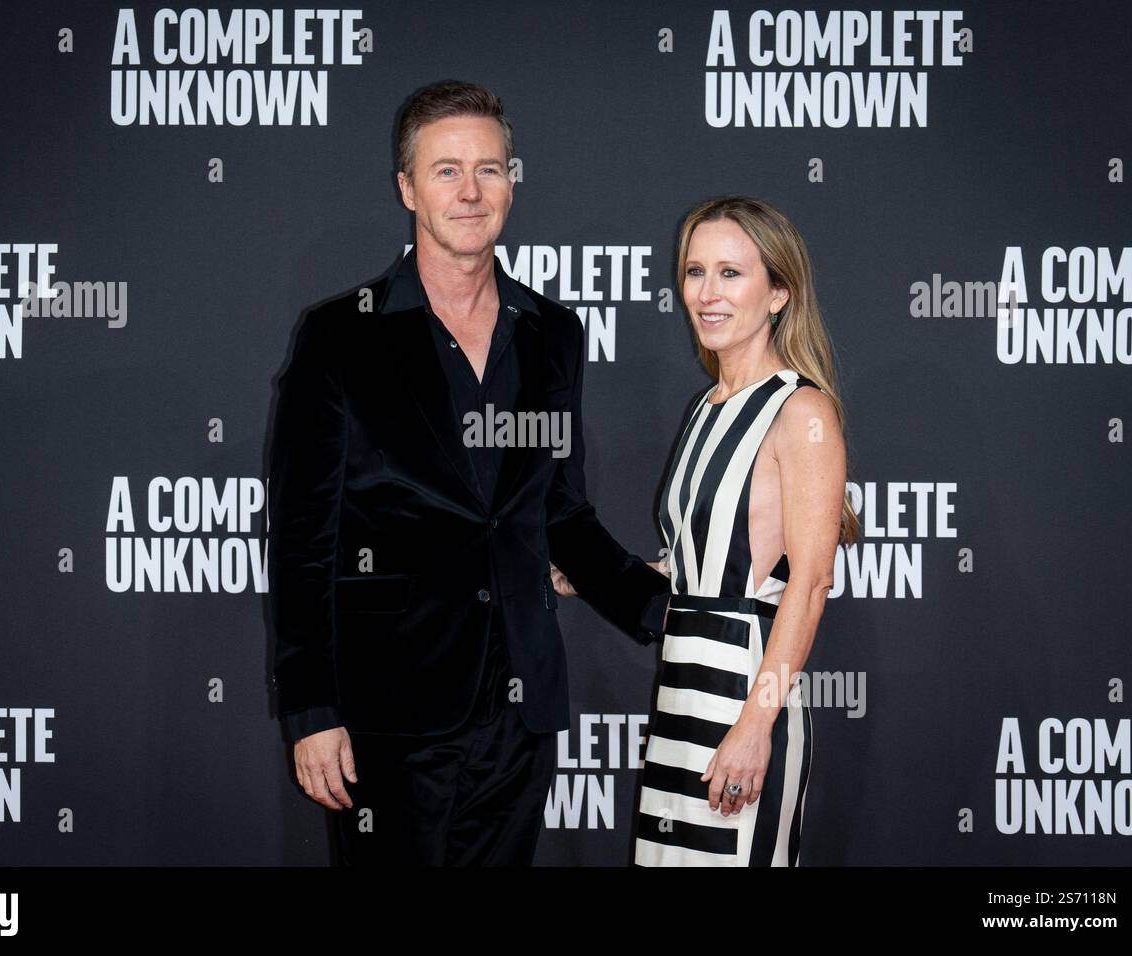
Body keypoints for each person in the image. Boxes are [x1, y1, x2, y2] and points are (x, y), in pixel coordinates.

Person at [266, 80, 671, 866]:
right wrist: (312, 708)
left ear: (513, 183)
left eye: (490, 169)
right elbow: (304, 542)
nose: (471, 190)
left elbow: (562, 512)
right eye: (446, 170)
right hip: (388, 711)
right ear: (407, 187)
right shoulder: (340, 338)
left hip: (518, 705)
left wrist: (664, 610)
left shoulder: (551, 332)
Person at [628, 196, 859, 866]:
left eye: (731, 273)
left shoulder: (802, 410)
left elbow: (810, 583)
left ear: (779, 292)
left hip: (741, 696)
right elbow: (693, 569)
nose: (707, 293)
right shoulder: (705, 407)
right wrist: (585, 577)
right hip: (680, 697)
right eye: (696, 272)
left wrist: (756, 725)